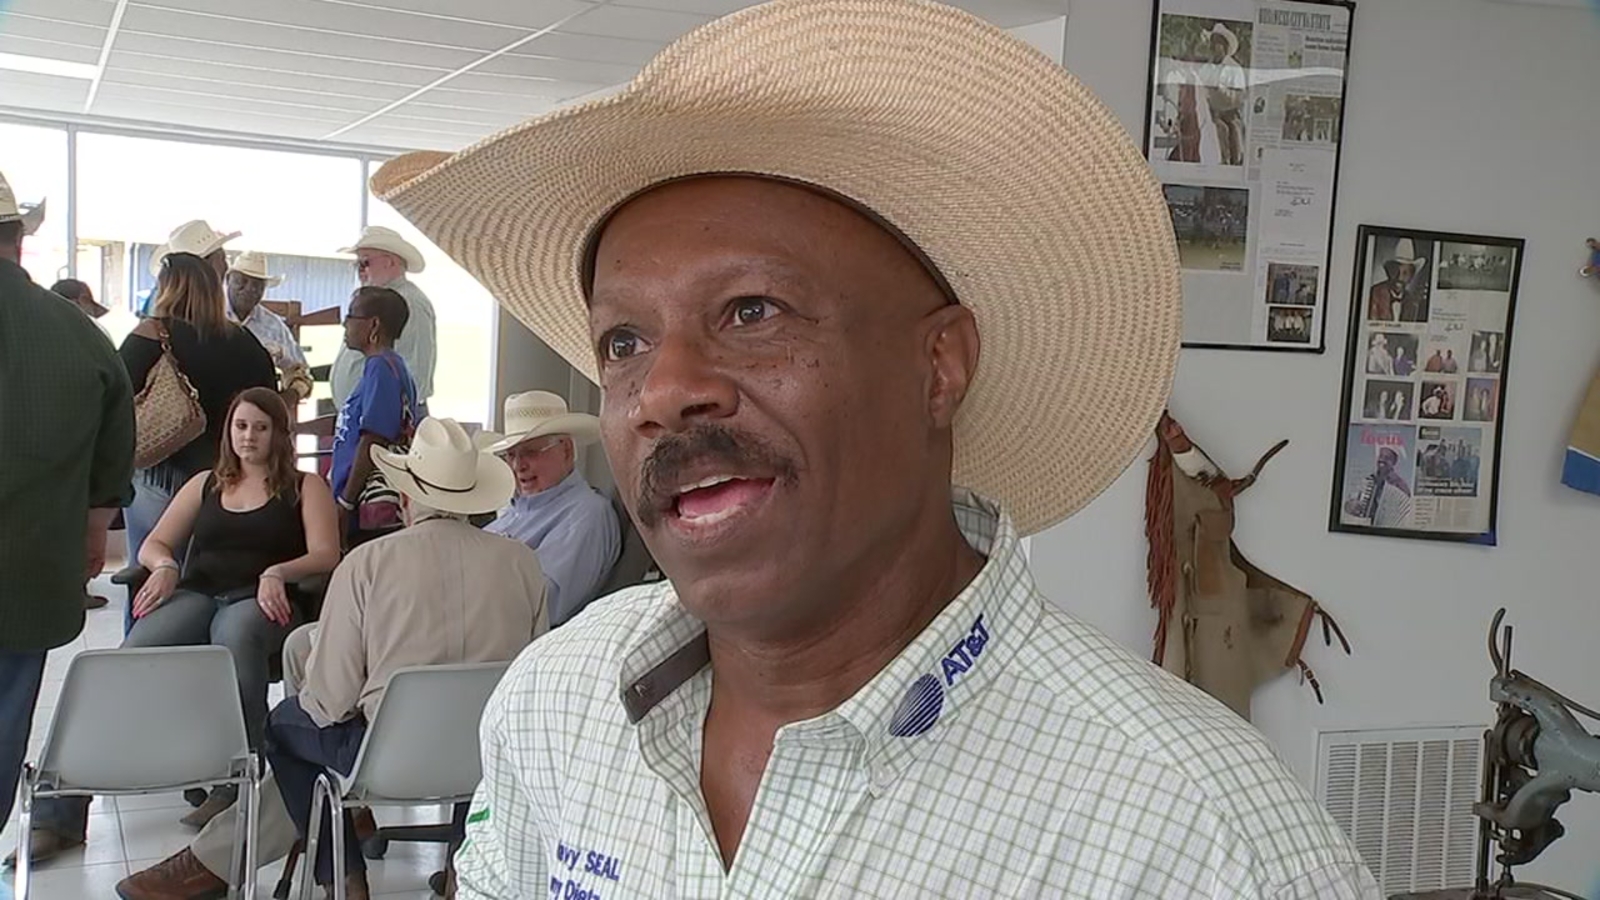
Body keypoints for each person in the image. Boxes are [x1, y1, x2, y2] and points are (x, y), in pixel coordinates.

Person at [371, 2, 1380, 897]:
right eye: (623, 343)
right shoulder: (559, 700)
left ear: (938, 366)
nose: (664, 392)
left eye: (752, 310)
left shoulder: (1197, 843)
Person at [17, 388, 341, 864]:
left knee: (234, 639)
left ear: (279, 434)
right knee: (120, 665)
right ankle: (60, 813)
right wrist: (165, 565)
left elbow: (326, 553)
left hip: (263, 599)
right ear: (229, 431)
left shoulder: (304, 486)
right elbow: (155, 542)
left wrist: (278, 572)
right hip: (198, 593)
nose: (249, 437)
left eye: (261, 427)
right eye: (241, 426)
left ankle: (235, 779)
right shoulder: (207, 483)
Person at [265, 417, 549, 899]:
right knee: (476, 724)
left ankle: (345, 877)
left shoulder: (366, 564)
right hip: (486, 760)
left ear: (404, 498)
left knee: (282, 727)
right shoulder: (521, 561)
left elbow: (330, 702)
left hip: (383, 760)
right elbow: (528, 678)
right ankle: (462, 873)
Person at [0, 171, 134, 845]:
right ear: (18, 242)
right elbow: (111, 471)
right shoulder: (81, 337)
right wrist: (90, 541)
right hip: (33, 579)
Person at [119, 246, 278, 634]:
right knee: (205, 579)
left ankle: (139, 653)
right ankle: (201, 662)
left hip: (159, 471)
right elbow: (269, 400)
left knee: (150, 571)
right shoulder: (243, 342)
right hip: (225, 477)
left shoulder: (148, 336)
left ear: (167, 287)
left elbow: (114, 401)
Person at [485, 390, 621, 626]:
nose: (518, 466)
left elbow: (540, 608)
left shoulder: (586, 515)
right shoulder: (513, 511)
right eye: (511, 455)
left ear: (566, 450)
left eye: (530, 452)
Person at [331, 286, 419, 545]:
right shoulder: (386, 366)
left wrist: (346, 502)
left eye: (350, 316)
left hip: (364, 503)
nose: (344, 325)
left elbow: (374, 438)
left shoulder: (381, 367)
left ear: (374, 325)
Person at [330, 227, 436, 414]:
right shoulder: (380, 302)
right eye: (357, 266)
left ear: (389, 262)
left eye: (364, 263)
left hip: (388, 419)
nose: (360, 271)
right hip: (366, 415)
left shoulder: (410, 302)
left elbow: (416, 371)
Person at [227, 250, 313, 406]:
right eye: (241, 281)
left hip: (258, 413)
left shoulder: (273, 326)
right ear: (228, 279)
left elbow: (300, 371)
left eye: (257, 285)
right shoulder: (208, 317)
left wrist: (289, 396)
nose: (249, 289)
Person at [1202, 23, 1246, 166]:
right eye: (1214, 43)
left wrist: (1220, 89)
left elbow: (1239, 98)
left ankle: (1233, 161)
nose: (1215, 47)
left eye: (1219, 43)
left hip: (1229, 113)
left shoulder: (1235, 69)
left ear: (1225, 46)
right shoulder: (1206, 68)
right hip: (1209, 112)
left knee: (1232, 130)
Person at [1367, 238, 1425, 322]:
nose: (1400, 277)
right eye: (1395, 270)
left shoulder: (1412, 302)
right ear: (1389, 272)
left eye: (1405, 273)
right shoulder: (1375, 293)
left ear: (1411, 277)